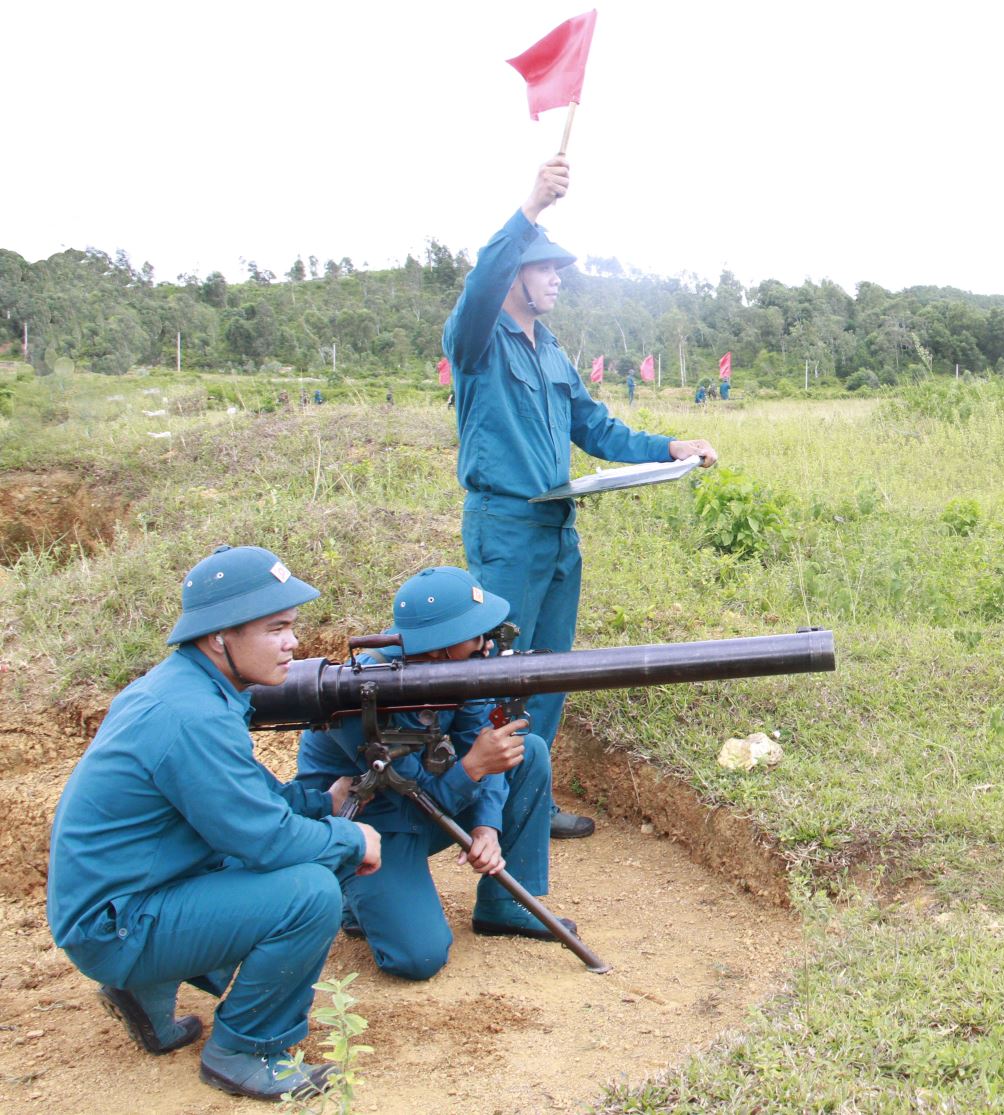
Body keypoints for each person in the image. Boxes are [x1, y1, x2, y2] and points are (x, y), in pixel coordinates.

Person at [441, 154, 716, 845]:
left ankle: (532, 802)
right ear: (515, 274)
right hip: (506, 527)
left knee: (551, 671)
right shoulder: (476, 338)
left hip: (559, 530)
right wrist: (530, 204)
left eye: (559, 268)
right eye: (545, 267)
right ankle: (486, 810)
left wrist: (668, 446)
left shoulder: (552, 350)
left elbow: (596, 427)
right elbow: (480, 282)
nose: (558, 278)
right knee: (500, 673)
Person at [46, 545, 382, 1101]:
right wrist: (349, 835)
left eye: (291, 627)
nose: (293, 643)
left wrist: (323, 802)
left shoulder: (189, 688)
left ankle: (143, 992)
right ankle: (245, 1050)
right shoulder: (191, 715)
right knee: (309, 890)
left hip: (120, 900)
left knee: (283, 859)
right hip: (115, 924)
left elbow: (245, 802)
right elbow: (267, 841)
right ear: (218, 636)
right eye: (277, 628)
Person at [295, 566, 567, 963]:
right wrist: (471, 769)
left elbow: (482, 742)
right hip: (374, 823)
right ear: (442, 647)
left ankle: (504, 904)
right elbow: (409, 796)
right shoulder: (361, 692)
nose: (487, 642)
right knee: (417, 958)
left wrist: (486, 826)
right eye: (476, 634)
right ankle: (354, 892)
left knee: (529, 751)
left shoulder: (460, 666)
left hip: (423, 802)